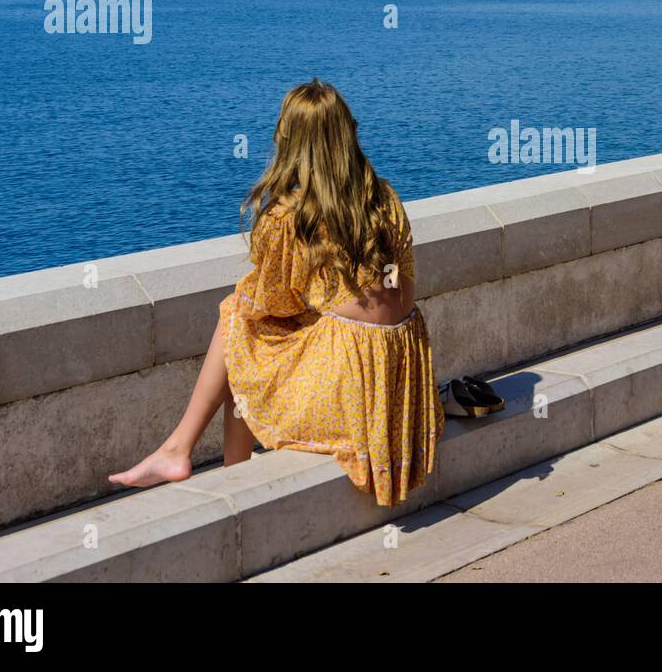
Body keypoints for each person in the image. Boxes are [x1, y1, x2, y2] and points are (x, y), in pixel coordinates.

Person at [110, 80, 443, 506]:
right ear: (347, 133)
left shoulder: (291, 214)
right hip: (399, 359)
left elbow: (269, 303)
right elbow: (403, 290)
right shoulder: (384, 198)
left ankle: (211, 467)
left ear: (287, 140)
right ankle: (194, 458)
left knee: (238, 323)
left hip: (353, 372)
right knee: (253, 341)